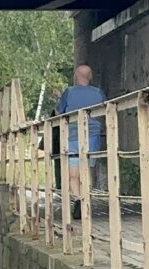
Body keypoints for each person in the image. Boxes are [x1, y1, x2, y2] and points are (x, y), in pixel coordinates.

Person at [55, 64, 106, 220]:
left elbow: (58, 113)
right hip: (93, 136)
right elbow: (106, 110)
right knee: (87, 170)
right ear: (90, 77)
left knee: (73, 174)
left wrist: (59, 99)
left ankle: (78, 200)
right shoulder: (99, 92)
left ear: (76, 77)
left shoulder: (68, 92)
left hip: (73, 135)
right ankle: (86, 203)